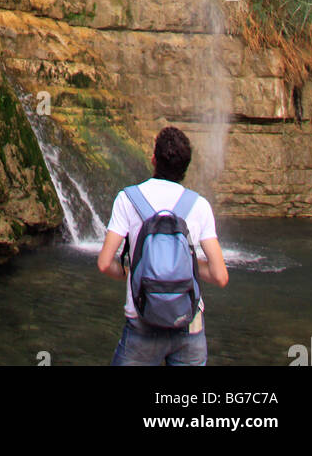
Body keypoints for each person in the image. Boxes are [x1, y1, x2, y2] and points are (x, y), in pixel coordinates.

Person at [97, 125, 229, 366]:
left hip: (142, 324)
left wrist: (131, 270)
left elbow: (105, 263)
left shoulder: (127, 199)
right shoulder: (199, 206)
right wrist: (187, 264)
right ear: (185, 169)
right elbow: (220, 276)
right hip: (189, 327)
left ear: (154, 159)